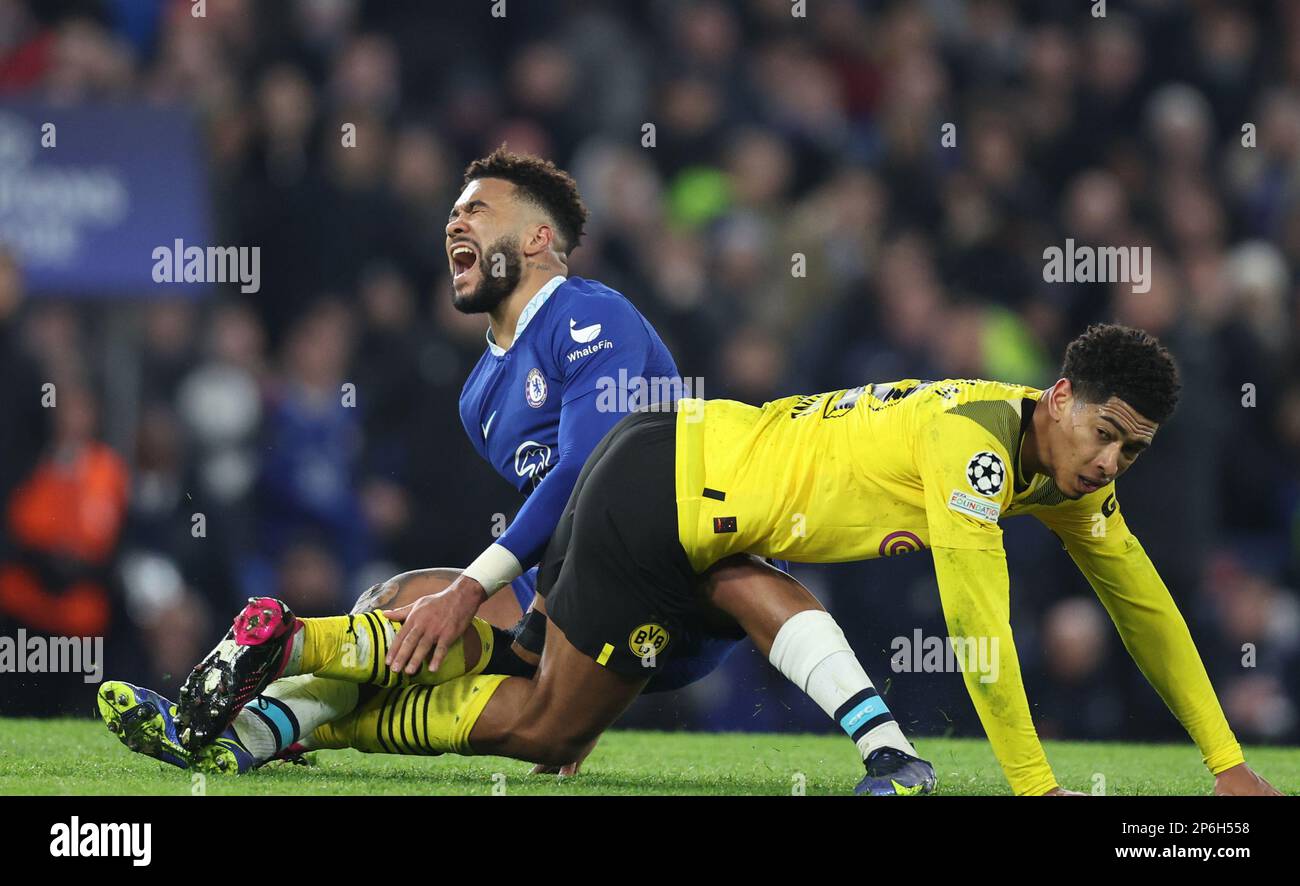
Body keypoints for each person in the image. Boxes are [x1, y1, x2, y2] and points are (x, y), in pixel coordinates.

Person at [98, 148, 930, 795]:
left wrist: (474, 588)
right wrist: (497, 616)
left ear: (538, 240)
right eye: (451, 215)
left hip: (676, 547)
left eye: (478, 212)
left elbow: (591, 475)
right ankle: (250, 728)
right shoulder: (478, 398)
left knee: (727, 569)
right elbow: (564, 527)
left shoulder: (589, 314)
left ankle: (887, 745)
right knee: (403, 606)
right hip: (587, 589)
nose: (455, 226)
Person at [172, 323, 1280, 795]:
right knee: (547, 725)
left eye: (1132, 452)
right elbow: (980, 627)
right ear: (1058, 399)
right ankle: (307, 673)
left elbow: (1147, 610)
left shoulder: (1055, 466)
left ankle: (292, 696)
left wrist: (1223, 759)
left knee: (714, 605)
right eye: (1103, 435)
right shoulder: (976, 453)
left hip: (699, 493)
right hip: (668, 501)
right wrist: (1035, 787)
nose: (1110, 465)